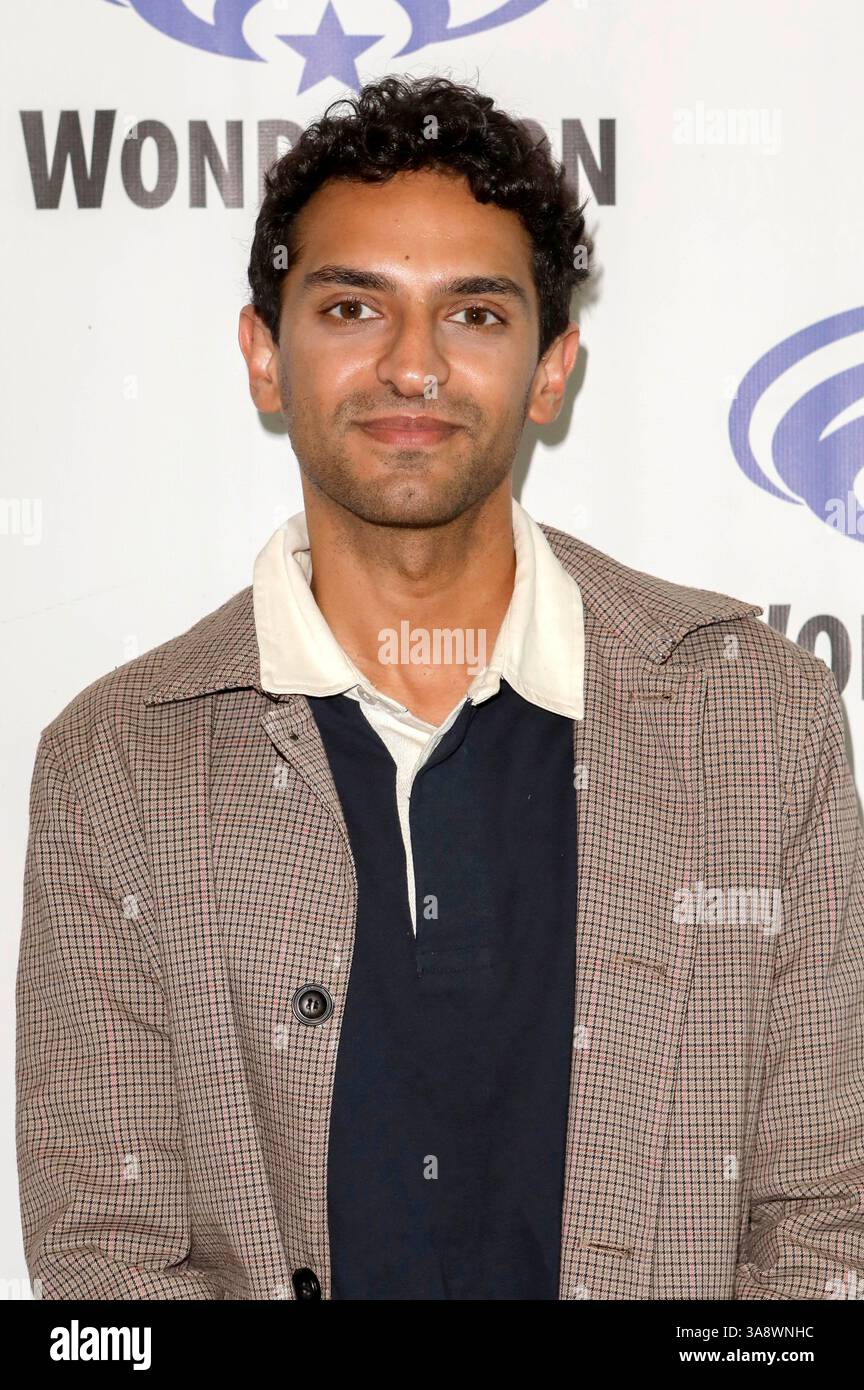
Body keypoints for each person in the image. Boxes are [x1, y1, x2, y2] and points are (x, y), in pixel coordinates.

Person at [16, 74, 864, 1301]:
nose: (412, 366)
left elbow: (827, 1228)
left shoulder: (756, 718)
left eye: (473, 314)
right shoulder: (118, 760)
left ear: (551, 370)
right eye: (354, 306)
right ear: (265, 356)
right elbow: (107, 1265)